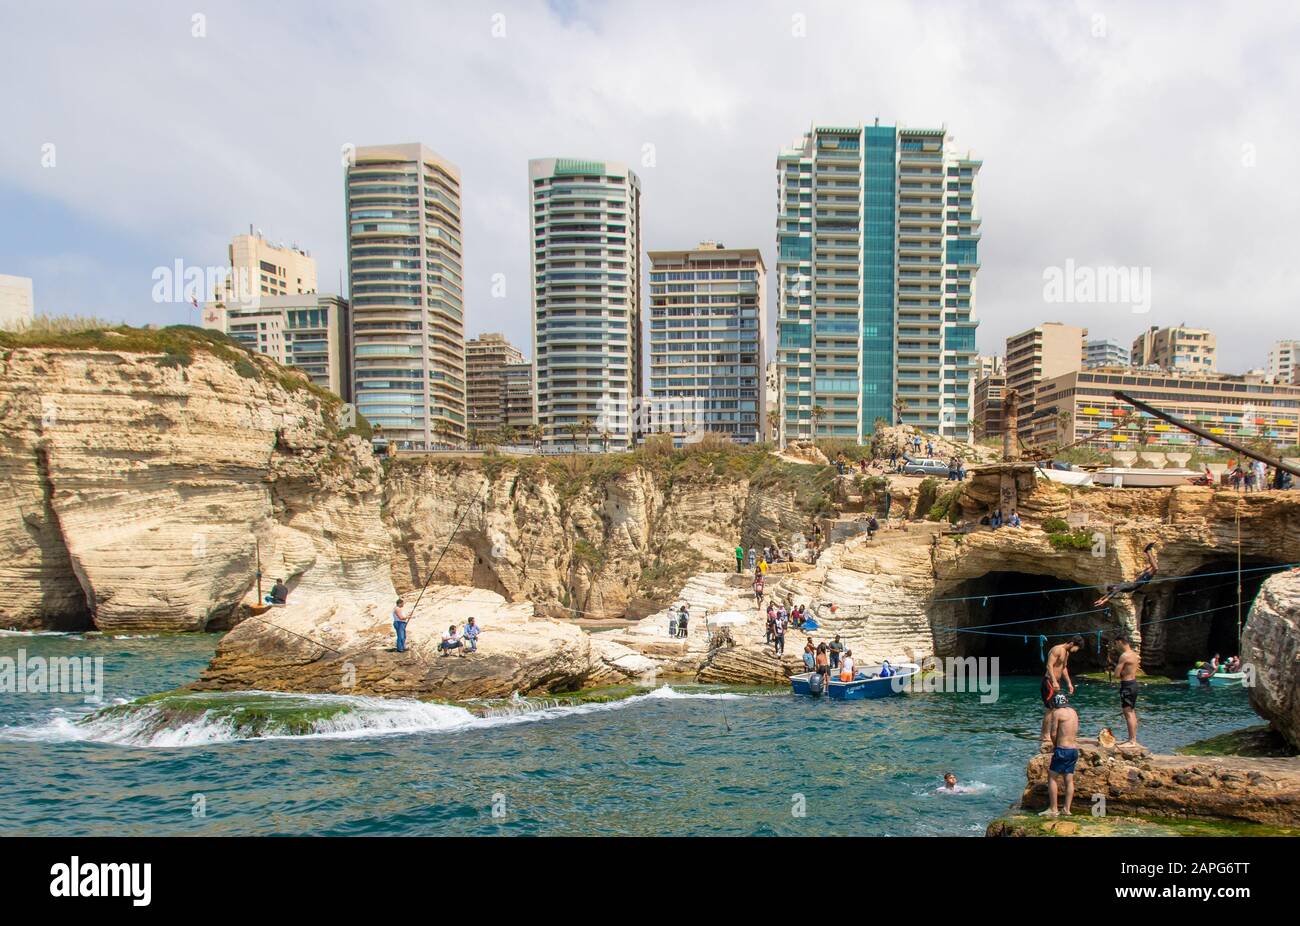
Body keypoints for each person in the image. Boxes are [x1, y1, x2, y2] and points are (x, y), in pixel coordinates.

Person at [1039, 693, 1080, 817]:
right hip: (1074, 750)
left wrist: (1056, 745)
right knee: (1069, 779)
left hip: (1063, 750)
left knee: (1052, 777)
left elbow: (1053, 733)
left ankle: (1053, 808)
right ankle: (1067, 809)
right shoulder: (1073, 712)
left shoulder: (1057, 713)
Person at [1040, 636, 1082, 745]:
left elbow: (1064, 668)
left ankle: (1053, 733)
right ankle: (1045, 735)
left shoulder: (1066, 653)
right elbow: (1049, 666)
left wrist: (1069, 683)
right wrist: (1054, 681)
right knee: (1051, 708)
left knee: (1058, 707)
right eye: (1077, 648)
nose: (1077, 651)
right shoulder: (1057, 649)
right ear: (1072, 643)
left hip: (1056, 683)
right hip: (1049, 681)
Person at [1094, 543, 1158, 606]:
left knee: (1154, 567)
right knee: (1154, 567)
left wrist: (1101, 599)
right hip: (1140, 580)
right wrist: (1103, 601)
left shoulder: (1118, 587)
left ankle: (1148, 551)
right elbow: (1110, 596)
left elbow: (1108, 594)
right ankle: (1148, 551)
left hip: (1140, 580)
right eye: (1113, 587)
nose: (1114, 586)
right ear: (1113, 587)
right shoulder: (1118, 588)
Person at [1113, 636, 1141, 748]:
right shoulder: (1134, 654)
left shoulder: (1124, 656)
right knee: (1131, 712)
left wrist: (1113, 667)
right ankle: (1133, 739)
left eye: (1116, 643)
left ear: (1120, 642)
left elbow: (1116, 674)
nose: (1116, 646)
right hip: (1133, 684)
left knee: (1128, 713)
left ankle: (1132, 741)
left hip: (1127, 686)